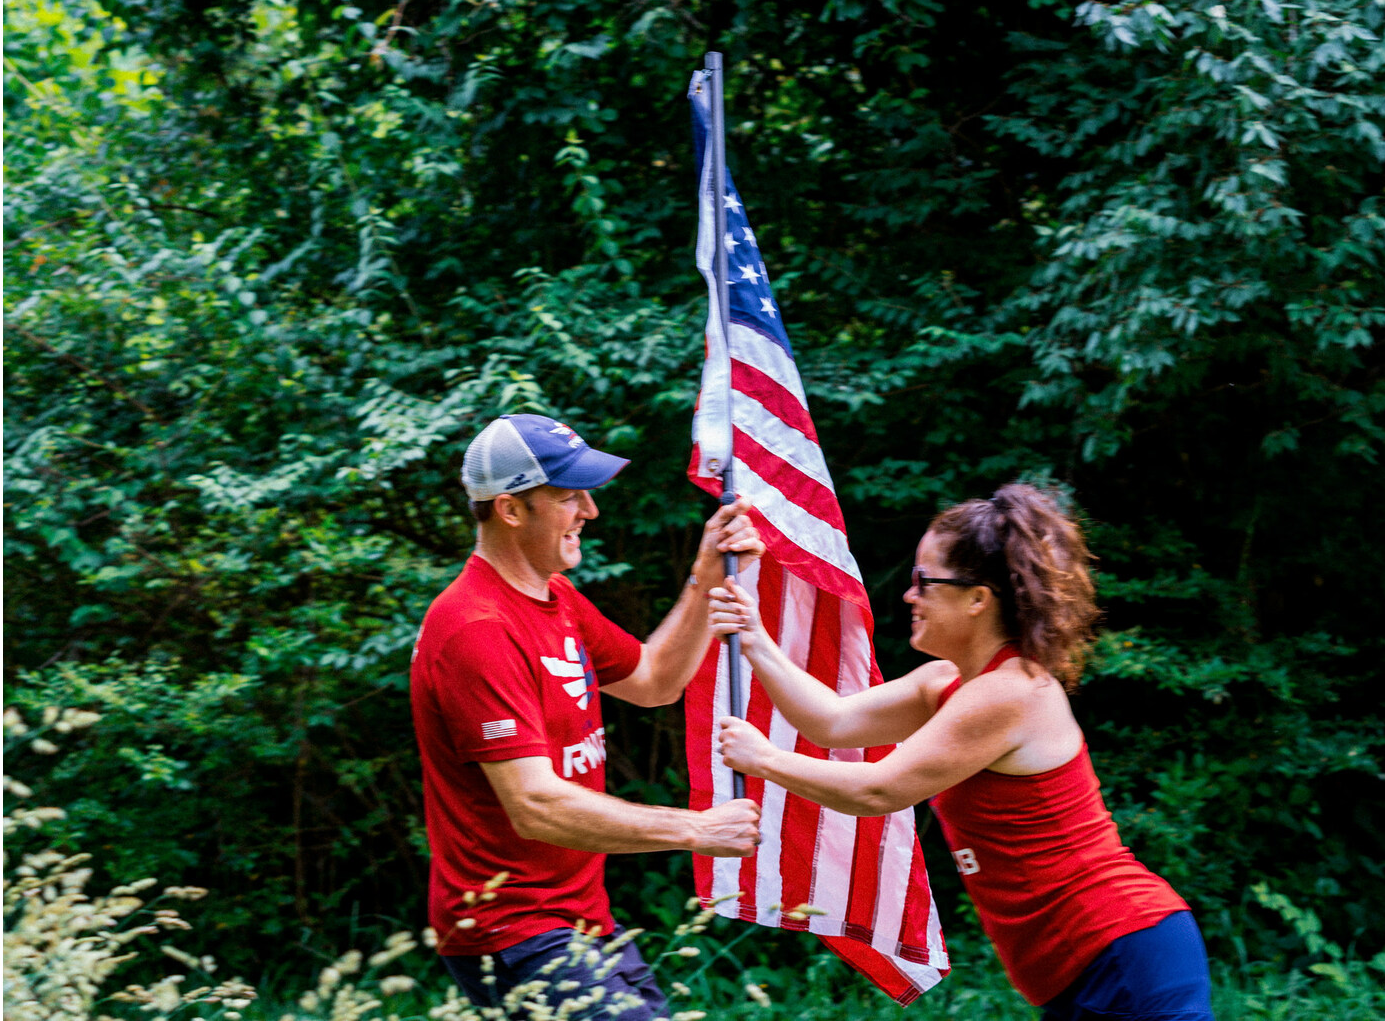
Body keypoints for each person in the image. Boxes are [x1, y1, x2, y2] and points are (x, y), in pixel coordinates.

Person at [709, 483, 1213, 1021]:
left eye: (924, 581)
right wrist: (755, 635)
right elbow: (832, 721)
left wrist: (766, 761)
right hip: (1084, 966)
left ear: (978, 599)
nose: (910, 595)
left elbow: (878, 788)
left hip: (1121, 949)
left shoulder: (1009, 692)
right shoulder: (947, 683)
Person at [410, 413, 764, 1021]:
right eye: (568, 496)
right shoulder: (476, 631)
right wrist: (696, 829)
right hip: (511, 929)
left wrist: (707, 577)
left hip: (581, 918)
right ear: (510, 510)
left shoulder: (556, 597)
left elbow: (655, 681)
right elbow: (536, 804)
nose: (590, 512)